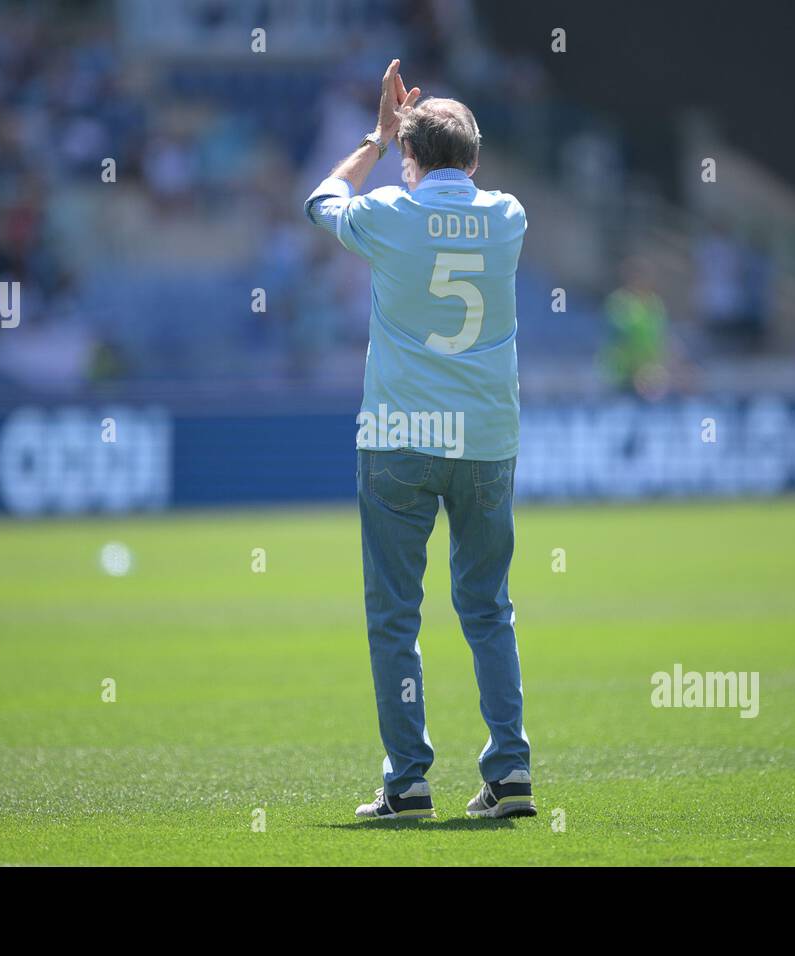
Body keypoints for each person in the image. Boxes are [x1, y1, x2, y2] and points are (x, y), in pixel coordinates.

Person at [304, 60, 534, 820]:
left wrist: (374, 137)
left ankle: (408, 783)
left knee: (396, 617)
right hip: (487, 441)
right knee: (488, 610)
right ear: (473, 160)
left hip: (401, 437)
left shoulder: (388, 214)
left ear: (409, 159)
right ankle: (510, 775)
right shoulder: (508, 216)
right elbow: (459, 187)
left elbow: (320, 200)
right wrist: (411, 139)